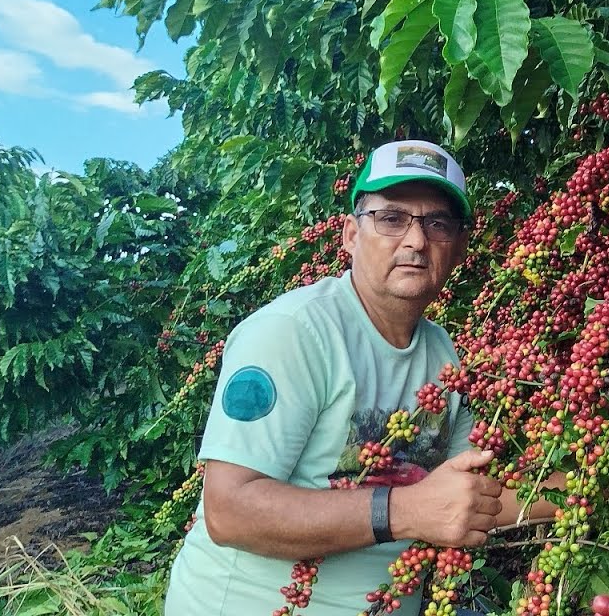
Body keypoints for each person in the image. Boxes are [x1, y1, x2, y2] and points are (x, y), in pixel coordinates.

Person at [165, 140, 551, 615]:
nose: (415, 240)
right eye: (390, 218)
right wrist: (406, 510)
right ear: (350, 234)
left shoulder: (443, 356)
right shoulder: (293, 334)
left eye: (437, 223)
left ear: (459, 248)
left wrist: (594, 492)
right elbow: (230, 511)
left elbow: (469, 497)